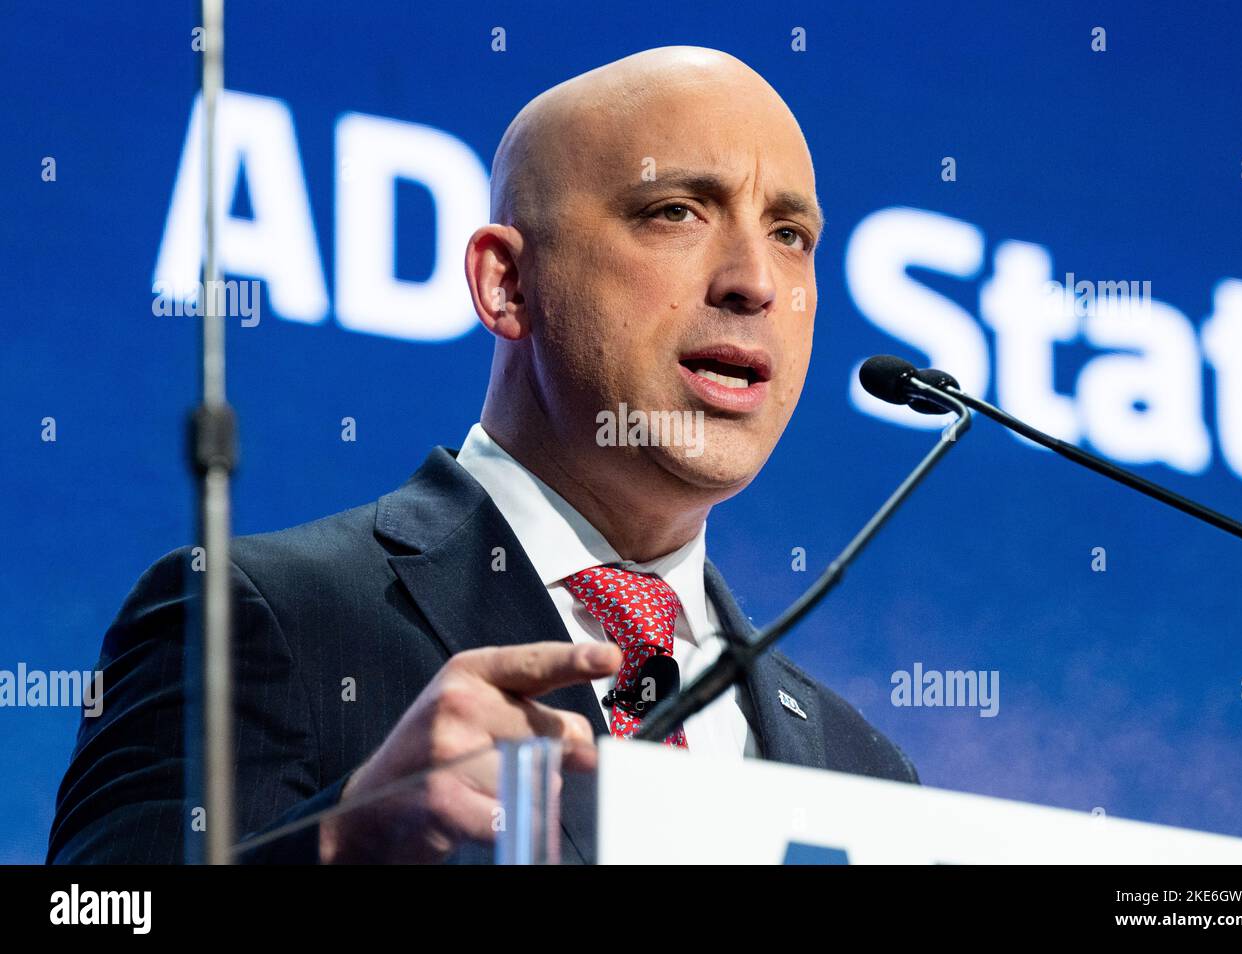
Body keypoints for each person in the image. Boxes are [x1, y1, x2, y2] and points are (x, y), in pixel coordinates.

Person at [47, 45, 917, 866]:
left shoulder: (862, 771)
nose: (754, 281)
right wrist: (340, 844)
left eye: (790, 235)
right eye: (675, 212)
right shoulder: (261, 617)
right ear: (506, 282)